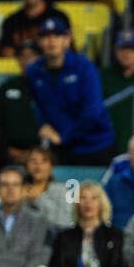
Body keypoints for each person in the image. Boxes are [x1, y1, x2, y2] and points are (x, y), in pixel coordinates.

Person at [25, 15, 116, 166]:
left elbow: (92, 112)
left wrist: (64, 136)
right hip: (62, 148)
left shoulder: (84, 67)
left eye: (57, 35)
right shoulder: (34, 71)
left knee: (93, 189)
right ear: (39, 42)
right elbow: (36, 105)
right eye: (46, 36)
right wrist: (43, 125)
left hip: (96, 146)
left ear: (67, 40)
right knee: (69, 189)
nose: (52, 41)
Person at [48, 181, 126, 267]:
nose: (88, 203)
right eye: (83, 198)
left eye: (93, 198)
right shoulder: (65, 236)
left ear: (101, 203)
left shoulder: (113, 235)